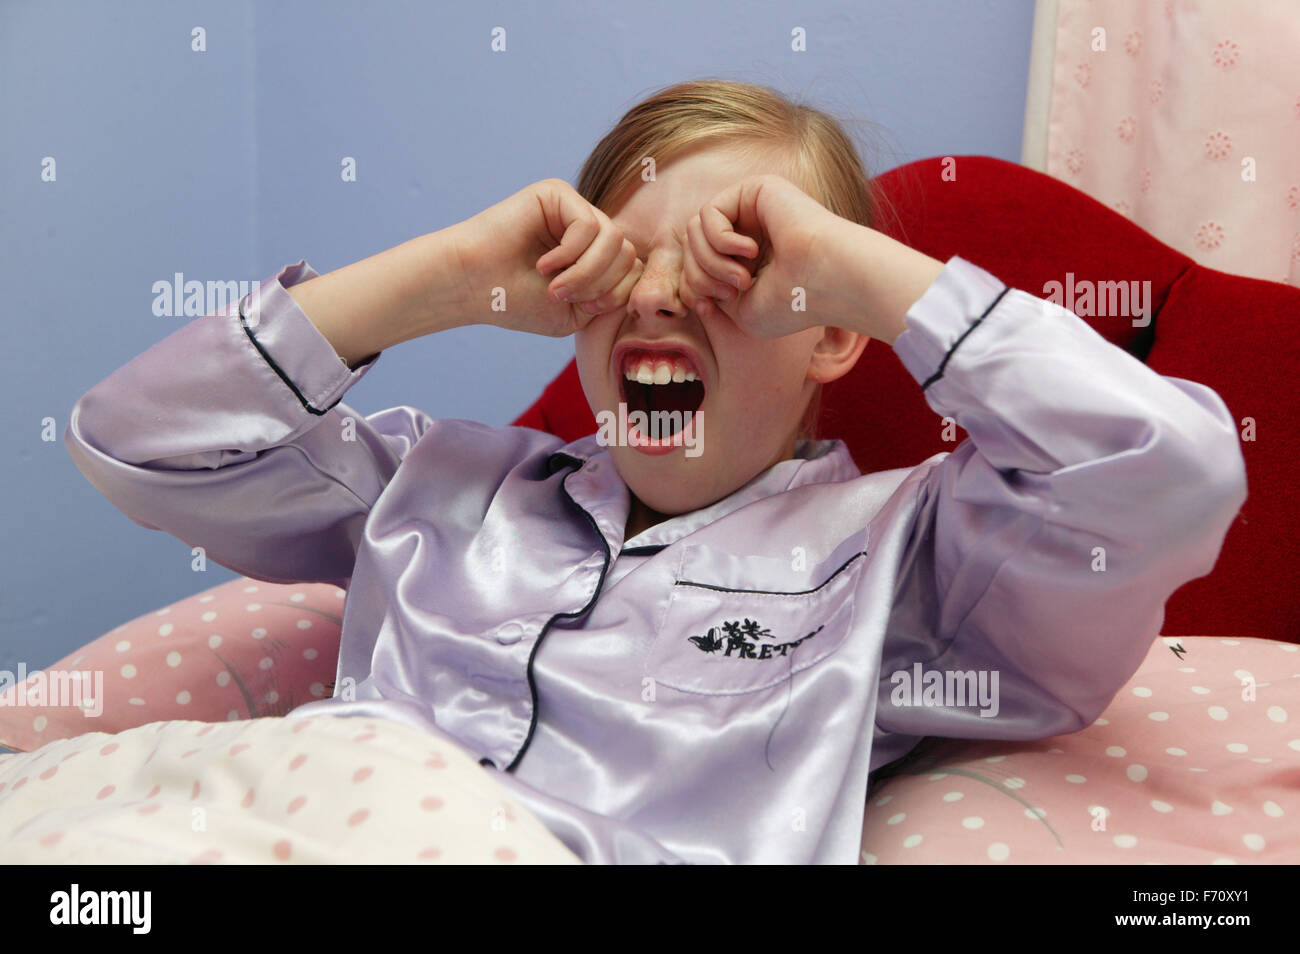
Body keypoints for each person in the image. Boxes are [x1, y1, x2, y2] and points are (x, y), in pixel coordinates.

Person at [65, 79, 1247, 864]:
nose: (663, 297)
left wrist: (870, 275)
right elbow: (140, 442)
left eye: (734, 265)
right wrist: (447, 277)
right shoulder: (433, 489)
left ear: (830, 329)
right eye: (621, 261)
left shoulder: (908, 565)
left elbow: (1166, 476)